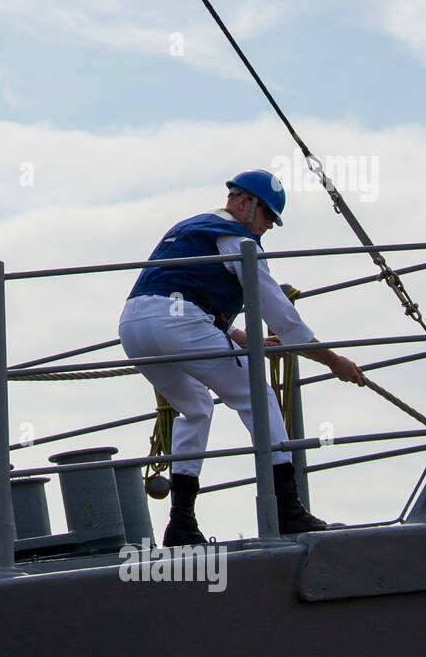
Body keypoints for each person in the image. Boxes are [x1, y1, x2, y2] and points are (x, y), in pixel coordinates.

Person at [118, 169, 365, 546]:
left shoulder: (190, 227)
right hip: (176, 327)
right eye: (267, 217)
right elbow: (282, 317)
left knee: (197, 406)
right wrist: (334, 362)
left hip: (133, 327)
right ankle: (287, 510)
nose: (267, 228)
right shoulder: (239, 239)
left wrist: (235, 334)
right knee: (258, 394)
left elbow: (177, 294)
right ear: (245, 204)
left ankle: (181, 523)